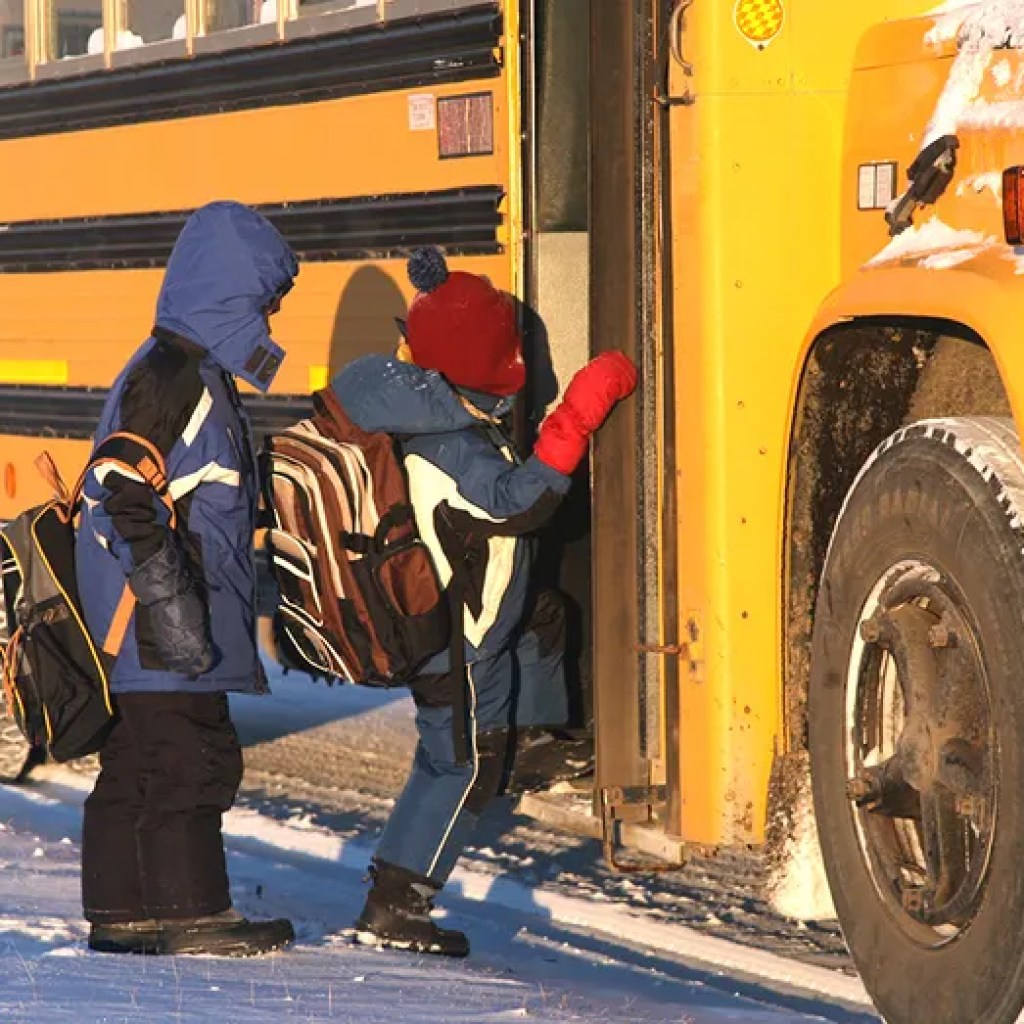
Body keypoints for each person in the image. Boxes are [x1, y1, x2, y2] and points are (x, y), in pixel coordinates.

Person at [330, 246, 636, 957]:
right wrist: (577, 415)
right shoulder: (457, 446)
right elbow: (519, 502)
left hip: (464, 627)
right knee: (456, 764)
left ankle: (527, 743)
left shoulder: (425, 422)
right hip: (457, 641)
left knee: (543, 620)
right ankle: (397, 904)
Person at [75, 201, 298, 957]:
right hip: (166, 617)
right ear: (232, 290)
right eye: (267, 295)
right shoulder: (175, 376)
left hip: (159, 613)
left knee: (138, 761)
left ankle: (123, 913)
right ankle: (191, 911)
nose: (272, 311)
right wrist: (170, 599)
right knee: (192, 760)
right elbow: (117, 479)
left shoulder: (180, 364)